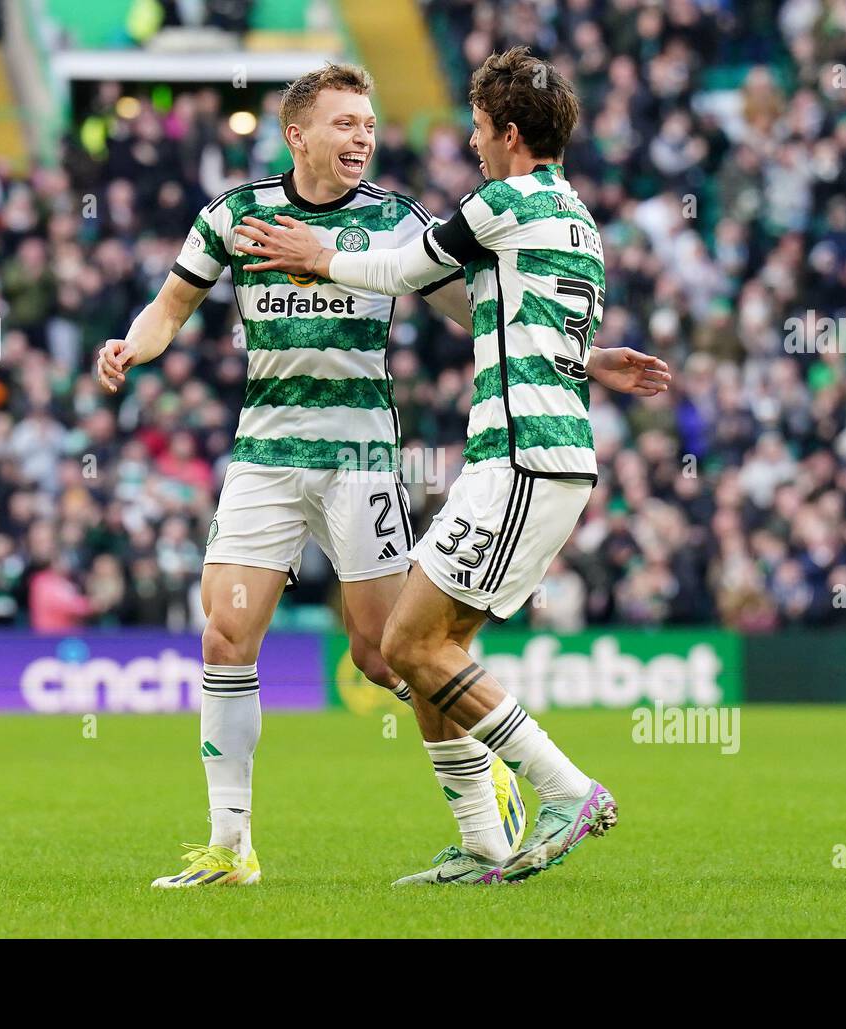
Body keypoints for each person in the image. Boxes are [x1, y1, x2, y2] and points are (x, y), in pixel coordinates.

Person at [235, 47, 671, 884]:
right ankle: (483, 839)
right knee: (424, 647)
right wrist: (595, 357)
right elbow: (521, 316)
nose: (471, 143)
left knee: (407, 641)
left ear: (509, 133)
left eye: (477, 128)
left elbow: (406, 268)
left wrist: (318, 256)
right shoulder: (572, 211)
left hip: (523, 460)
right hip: (526, 454)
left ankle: (567, 788)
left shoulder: (504, 200)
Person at [97, 64, 526, 889]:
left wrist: (556, 344)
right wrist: (129, 344)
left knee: (382, 654)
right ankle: (230, 847)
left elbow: (469, 314)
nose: (363, 135)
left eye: (368, 122)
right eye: (345, 123)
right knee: (224, 634)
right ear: (298, 135)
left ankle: (485, 781)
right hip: (264, 454)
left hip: (361, 457)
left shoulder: (398, 222)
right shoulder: (235, 215)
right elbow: (171, 309)